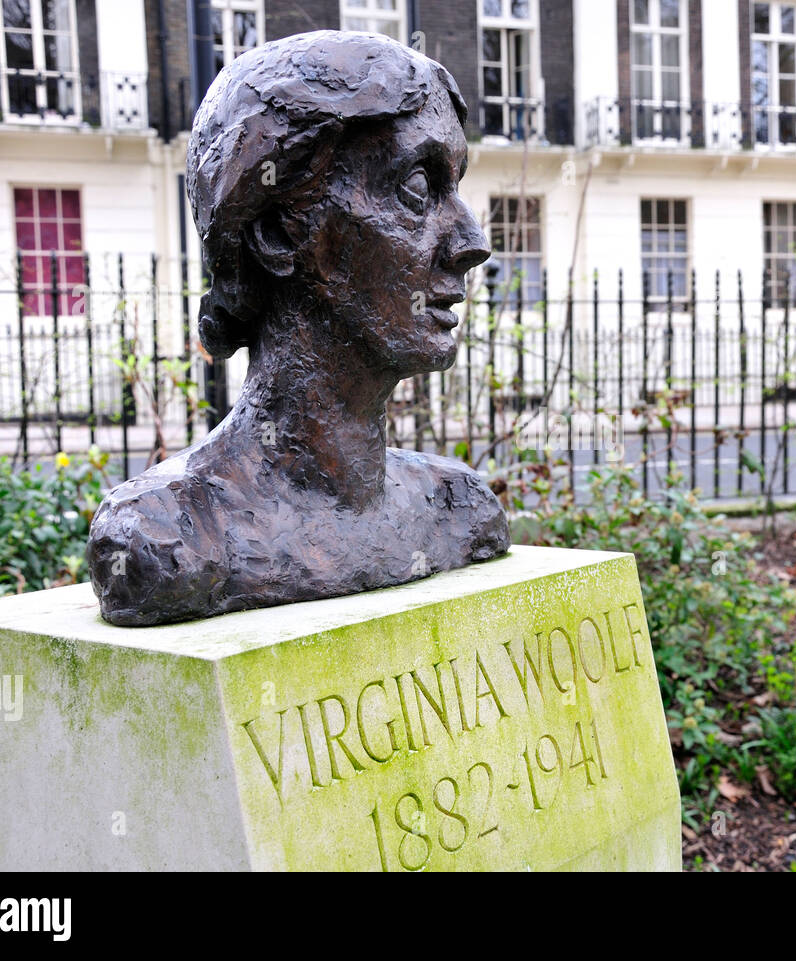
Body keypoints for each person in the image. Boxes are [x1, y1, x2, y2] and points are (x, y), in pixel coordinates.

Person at [86, 31, 509, 626]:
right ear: (278, 234)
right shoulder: (173, 536)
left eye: (456, 188)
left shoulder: (457, 506)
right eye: (417, 187)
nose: (472, 243)